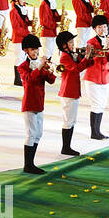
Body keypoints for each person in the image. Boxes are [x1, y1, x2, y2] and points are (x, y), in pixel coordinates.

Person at [18, 35, 55, 173]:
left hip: (40, 104)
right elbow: (29, 80)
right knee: (31, 133)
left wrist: (47, 69)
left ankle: (31, 163)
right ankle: (28, 165)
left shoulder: (40, 64)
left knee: (38, 133)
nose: (36, 52)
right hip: (29, 104)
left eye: (37, 49)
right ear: (26, 51)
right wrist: (39, 67)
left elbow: (51, 80)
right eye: (33, 50)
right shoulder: (22, 67)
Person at [83, 16, 109, 140]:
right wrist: (104, 49)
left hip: (105, 77)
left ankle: (98, 131)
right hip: (93, 77)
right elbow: (91, 57)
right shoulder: (91, 42)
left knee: (102, 104)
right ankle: (94, 132)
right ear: (94, 29)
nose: (103, 29)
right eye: (100, 27)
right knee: (96, 104)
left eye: (104, 27)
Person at [55, 31, 88, 155]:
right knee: (68, 121)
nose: (73, 44)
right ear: (64, 45)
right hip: (68, 91)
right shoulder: (64, 56)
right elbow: (76, 69)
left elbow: (86, 64)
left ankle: (67, 146)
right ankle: (66, 147)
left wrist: (88, 56)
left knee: (72, 120)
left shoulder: (71, 54)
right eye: (70, 42)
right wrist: (86, 57)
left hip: (73, 91)